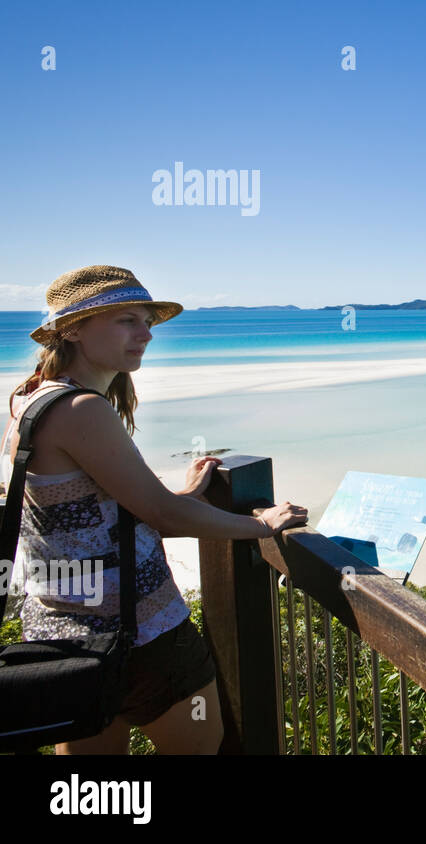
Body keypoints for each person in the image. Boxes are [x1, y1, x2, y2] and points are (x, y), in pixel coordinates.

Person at [0, 265, 309, 754]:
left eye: (146, 321)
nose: (145, 334)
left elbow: (88, 516)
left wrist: (179, 496)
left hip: (64, 635)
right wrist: (260, 525)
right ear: (73, 329)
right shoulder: (82, 410)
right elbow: (163, 518)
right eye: (127, 320)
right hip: (142, 635)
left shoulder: (29, 400)